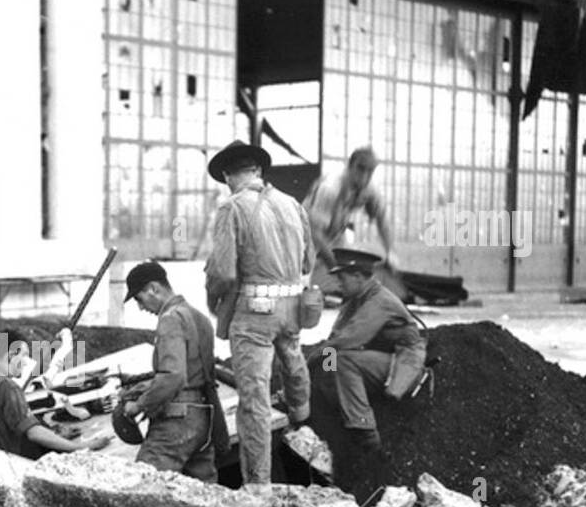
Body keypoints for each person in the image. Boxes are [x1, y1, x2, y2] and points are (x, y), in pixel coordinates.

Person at [204, 140, 314, 485]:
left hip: (255, 314)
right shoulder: (293, 205)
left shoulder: (231, 208)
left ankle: (257, 486)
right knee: (293, 359)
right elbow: (308, 262)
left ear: (227, 175)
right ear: (258, 170)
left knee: (254, 400)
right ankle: (301, 419)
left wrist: (212, 297)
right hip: (293, 306)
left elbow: (223, 273)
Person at [309, 251, 425, 460]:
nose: (338, 284)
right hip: (382, 357)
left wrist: (310, 363)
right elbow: (336, 336)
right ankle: (337, 406)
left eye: (342, 278)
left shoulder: (379, 301)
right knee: (334, 361)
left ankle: (366, 434)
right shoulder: (356, 299)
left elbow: (349, 339)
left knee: (343, 360)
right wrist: (323, 373)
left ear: (359, 277)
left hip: (403, 360)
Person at [121, 261, 227, 483]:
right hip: (203, 418)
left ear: (153, 289)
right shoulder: (200, 317)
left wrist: (139, 405)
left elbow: (173, 376)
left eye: (139, 299)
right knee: (204, 496)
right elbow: (195, 372)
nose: (141, 307)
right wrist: (147, 388)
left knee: (143, 486)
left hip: (176, 422)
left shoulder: (170, 319)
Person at [0, 328, 111, 459]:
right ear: (10, 356)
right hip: (15, 464)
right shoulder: (8, 388)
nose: (25, 363)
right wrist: (79, 447)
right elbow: (34, 432)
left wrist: (54, 435)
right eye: (23, 356)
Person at [303, 146, 398, 291]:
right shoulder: (330, 188)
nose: (364, 176)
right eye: (360, 169)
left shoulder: (369, 188)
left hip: (334, 231)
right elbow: (315, 233)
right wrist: (336, 268)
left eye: (370, 171)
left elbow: (382, 219)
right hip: (307, 233)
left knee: (347, 272)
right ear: (350, 167)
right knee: (304, 281)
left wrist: (390, 252)